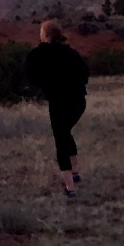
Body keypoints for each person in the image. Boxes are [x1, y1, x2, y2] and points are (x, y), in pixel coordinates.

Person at [24, 20, 89, 197]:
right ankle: (75, 172)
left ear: (45, 34)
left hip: (59, 103)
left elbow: (30, 75)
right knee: (65, 132)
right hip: (78, 102)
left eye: (40, 31)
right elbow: (85, 73)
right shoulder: (70, 52)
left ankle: (70, 188)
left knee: (60, 138)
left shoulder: (38, 54)